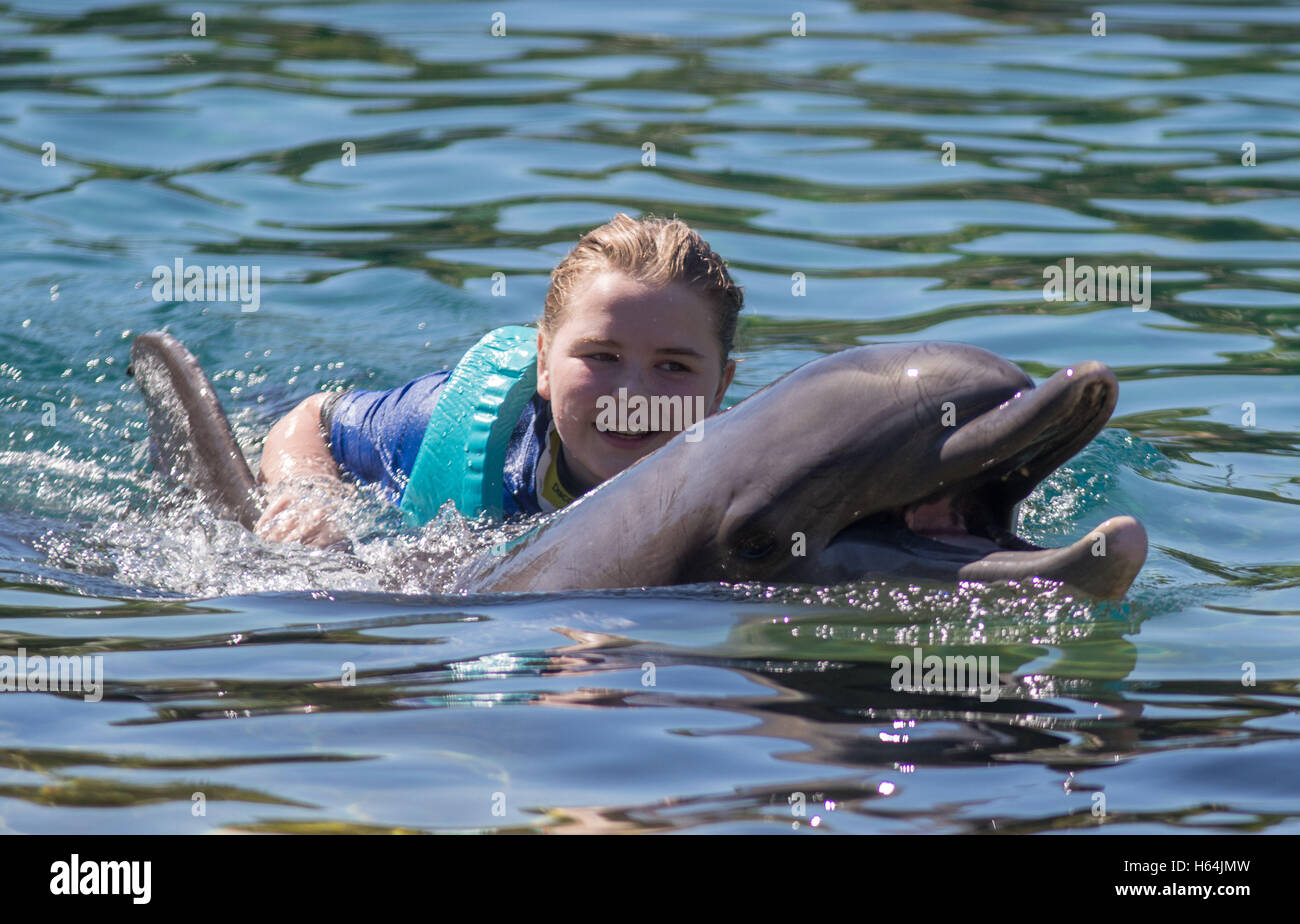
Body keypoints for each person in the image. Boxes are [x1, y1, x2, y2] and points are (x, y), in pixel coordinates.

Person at [254, 213, 743, 548]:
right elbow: (311, 418)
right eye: (602, 356)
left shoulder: (756, 481)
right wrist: (311, 495)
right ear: (545, 364)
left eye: (674, 366)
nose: (631, 396)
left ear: (721, 389)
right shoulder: (452, 428)